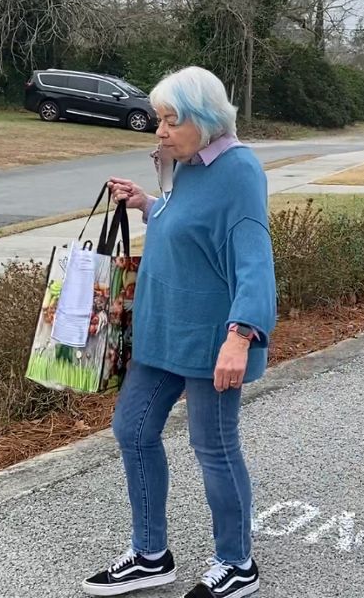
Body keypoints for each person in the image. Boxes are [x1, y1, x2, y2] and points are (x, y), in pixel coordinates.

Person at [82, 66, 276, 598]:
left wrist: (240, 337)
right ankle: (150, 554)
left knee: (213, 446)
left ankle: (237, 563)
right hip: (161, 329)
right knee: (133, 429)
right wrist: (147, 202)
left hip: (210, 337)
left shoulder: (238, 171)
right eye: (160, 119)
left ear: (207, 119)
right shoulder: (187, 163)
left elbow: (254, 260)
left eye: (171, 120)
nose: (159, 130)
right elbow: (184, 219)